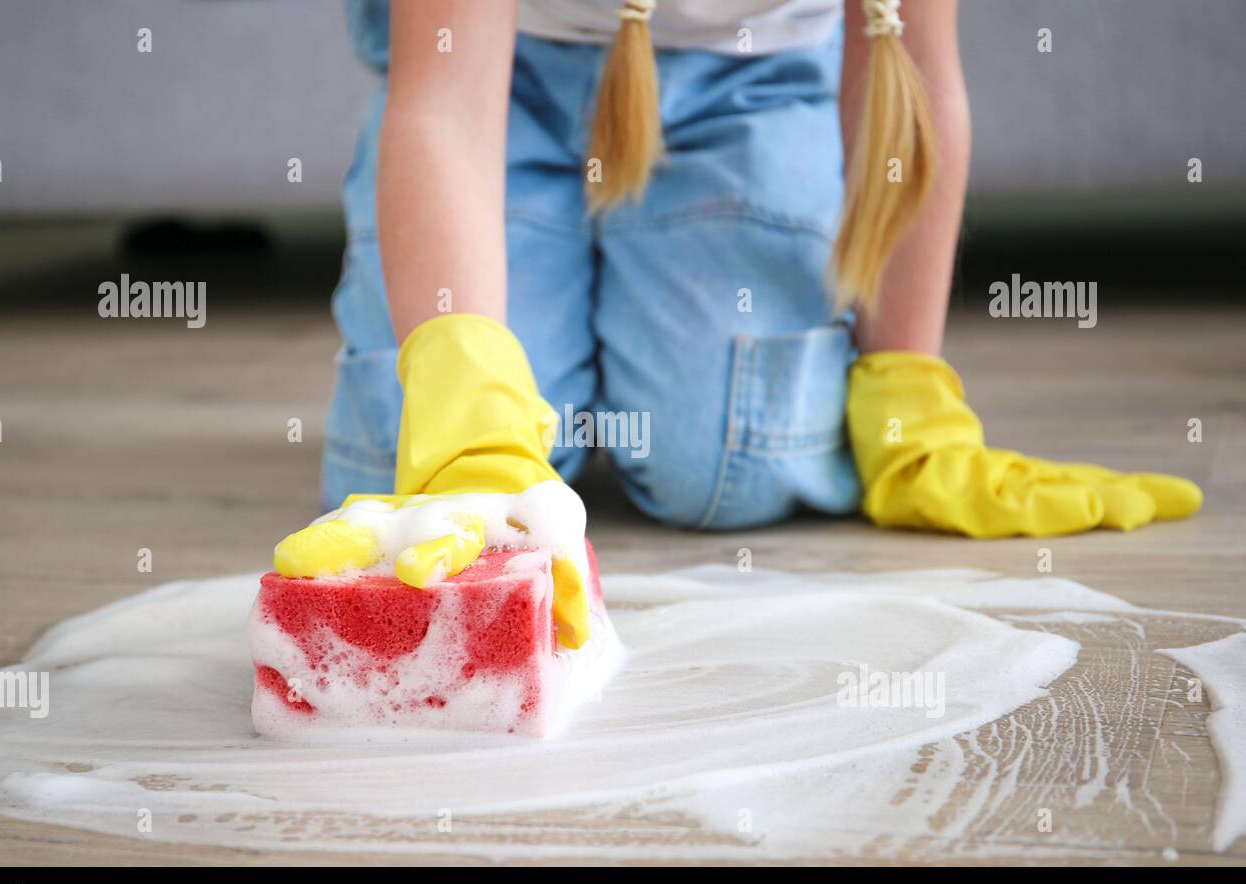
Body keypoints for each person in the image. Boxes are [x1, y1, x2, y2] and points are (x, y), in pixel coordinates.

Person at [318, 0, 1202, 539]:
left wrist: (908, 395)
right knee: (404, 470)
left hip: (748, 78)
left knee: (736, 462)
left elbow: (914, 73)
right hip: (498, 77)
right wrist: (467, 406)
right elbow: (445, 105)